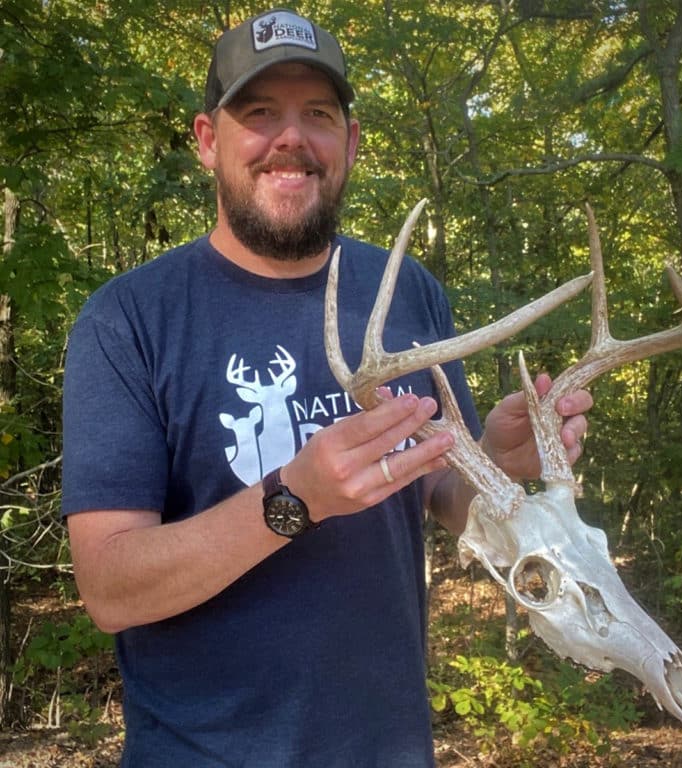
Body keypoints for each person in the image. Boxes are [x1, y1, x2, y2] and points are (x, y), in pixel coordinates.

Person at [62, 8, 591, 768]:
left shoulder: (404, 289)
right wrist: (295, 499)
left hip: (388, 746)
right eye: (259, 113)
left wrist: (497, 464)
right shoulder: (129, 319)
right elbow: (110, 586)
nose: (292, 139)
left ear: (351, 141)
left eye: (317, 114)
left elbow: (440, 486)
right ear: (208, 141)